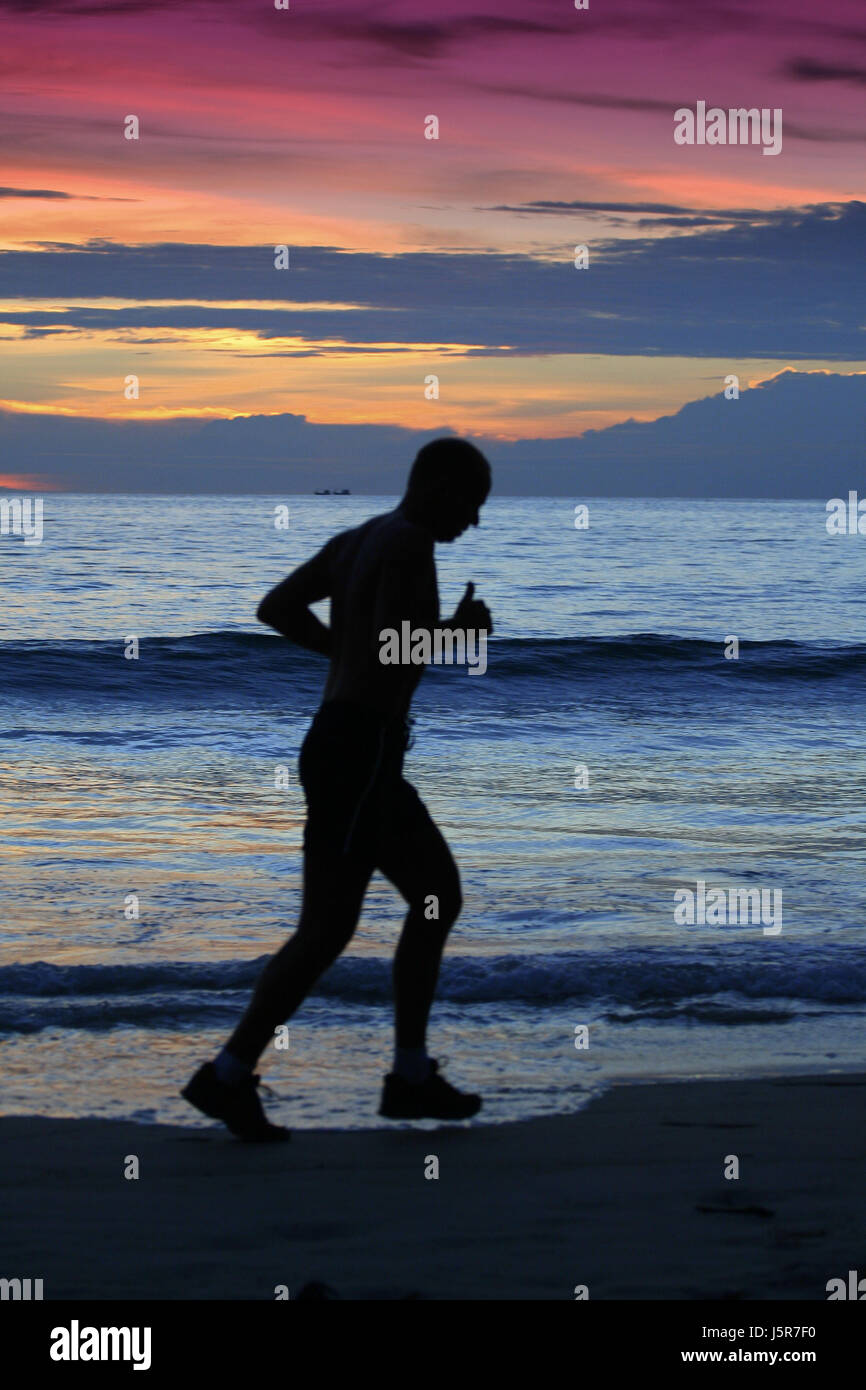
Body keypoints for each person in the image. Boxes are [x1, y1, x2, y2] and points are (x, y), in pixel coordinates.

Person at [182, 438, 493, 1140]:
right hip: (361, 753)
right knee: (346, 923)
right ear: (438, 485)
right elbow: (395, 646)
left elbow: (277, 606)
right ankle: (252, 1076)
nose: (473, 521)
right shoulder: (410, 545)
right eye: (472, 503)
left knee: (422, 899)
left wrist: (344, 652)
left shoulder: (356, 539)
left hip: (342, 744)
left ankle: (251, 1077)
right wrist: (461, 635)